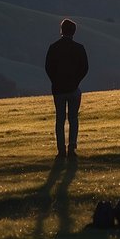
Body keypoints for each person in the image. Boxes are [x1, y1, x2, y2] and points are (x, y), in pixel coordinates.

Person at [45, 18, 89, 159]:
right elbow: (85, 68)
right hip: (73, 89)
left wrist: (55, 81)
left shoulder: (53, 47)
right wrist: (76, 81)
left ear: (61, 30)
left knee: (60, 119)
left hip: (58, 89)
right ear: (74, 32)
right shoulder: (79, 48)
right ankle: (72, 147)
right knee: (73, 118)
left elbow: (48, 68)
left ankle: (61, 150)